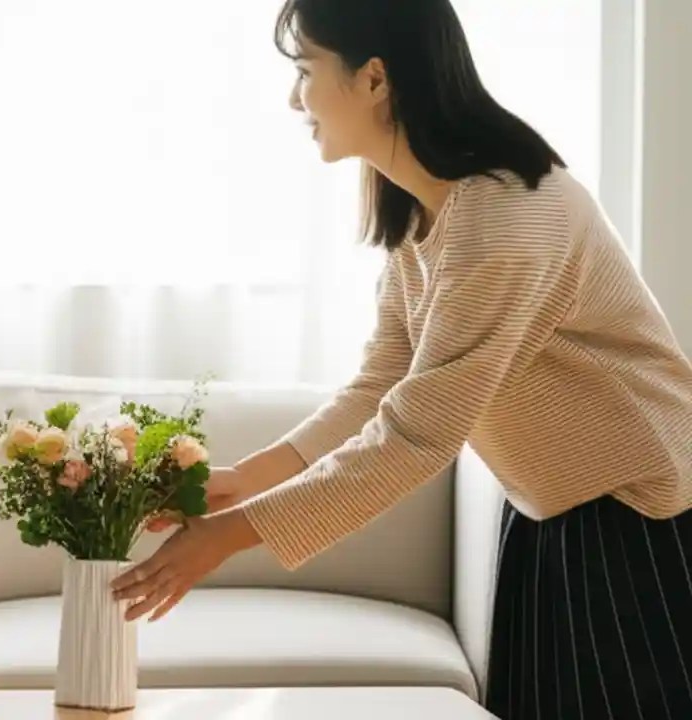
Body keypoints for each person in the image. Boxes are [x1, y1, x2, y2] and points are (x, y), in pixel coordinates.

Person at [111, 1, 692, 718]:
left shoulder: (506, 218)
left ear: (375, 78)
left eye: (305, 70)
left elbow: (417, 435)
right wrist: (241, 483)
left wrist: (229, 538)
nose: (296, 99)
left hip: (634, 517)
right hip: (553, 511)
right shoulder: (426, 211)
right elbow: (379, 388)